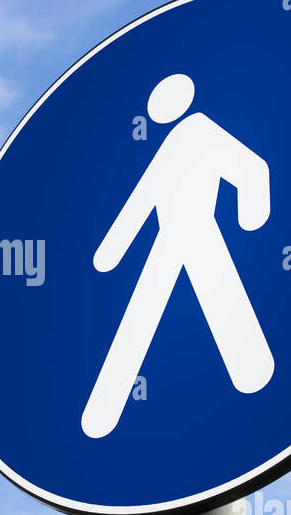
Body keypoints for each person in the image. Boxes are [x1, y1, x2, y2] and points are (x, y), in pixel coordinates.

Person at [81, 73, 274, 439]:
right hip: (168, 237)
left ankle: (256, 376)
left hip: (199, 228)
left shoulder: (200, 129)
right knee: (142, 314)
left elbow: (251, 167)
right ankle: (102, 411)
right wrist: (111, 250)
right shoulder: (169, 146)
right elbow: (141, 199)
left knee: (216, 304)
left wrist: (252, 213)